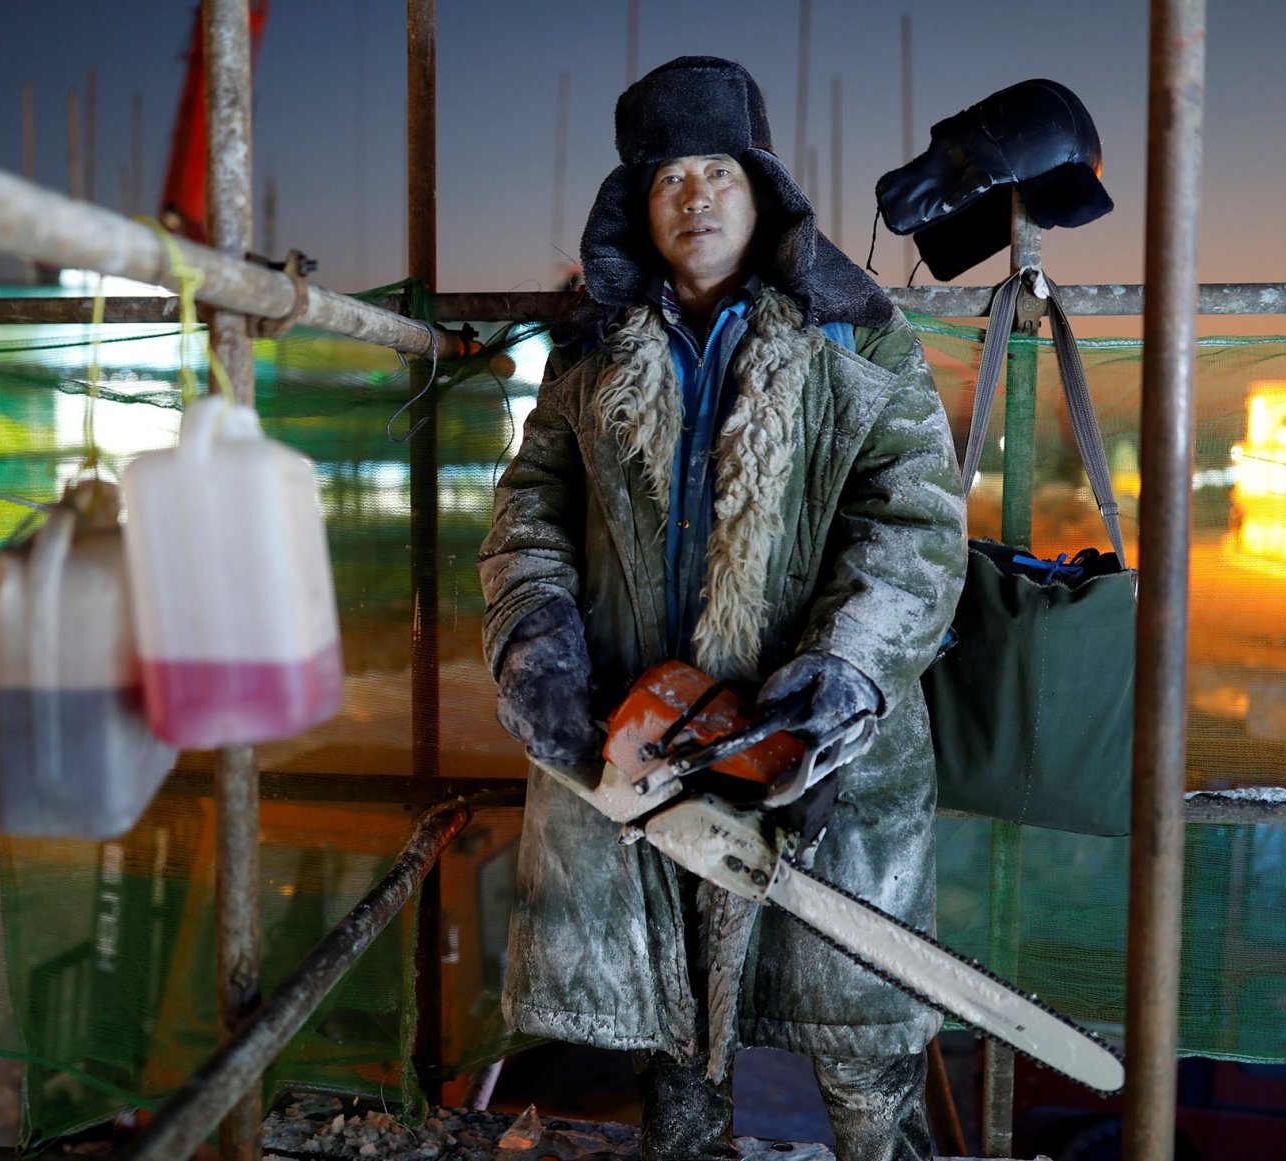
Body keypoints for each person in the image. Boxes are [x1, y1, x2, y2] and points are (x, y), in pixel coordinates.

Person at [478, 57, 967, 1161]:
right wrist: (534, 636)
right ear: (636, 211)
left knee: (860, 1048)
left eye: (714, 171)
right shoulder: (589, 359)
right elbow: (529, 511)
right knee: (673, 1050)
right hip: (643, 730)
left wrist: (842, 675)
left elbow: (916, 522)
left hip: (810, 742)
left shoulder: (858, 342)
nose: (692, 196)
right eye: (665, 180)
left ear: (761, 189)